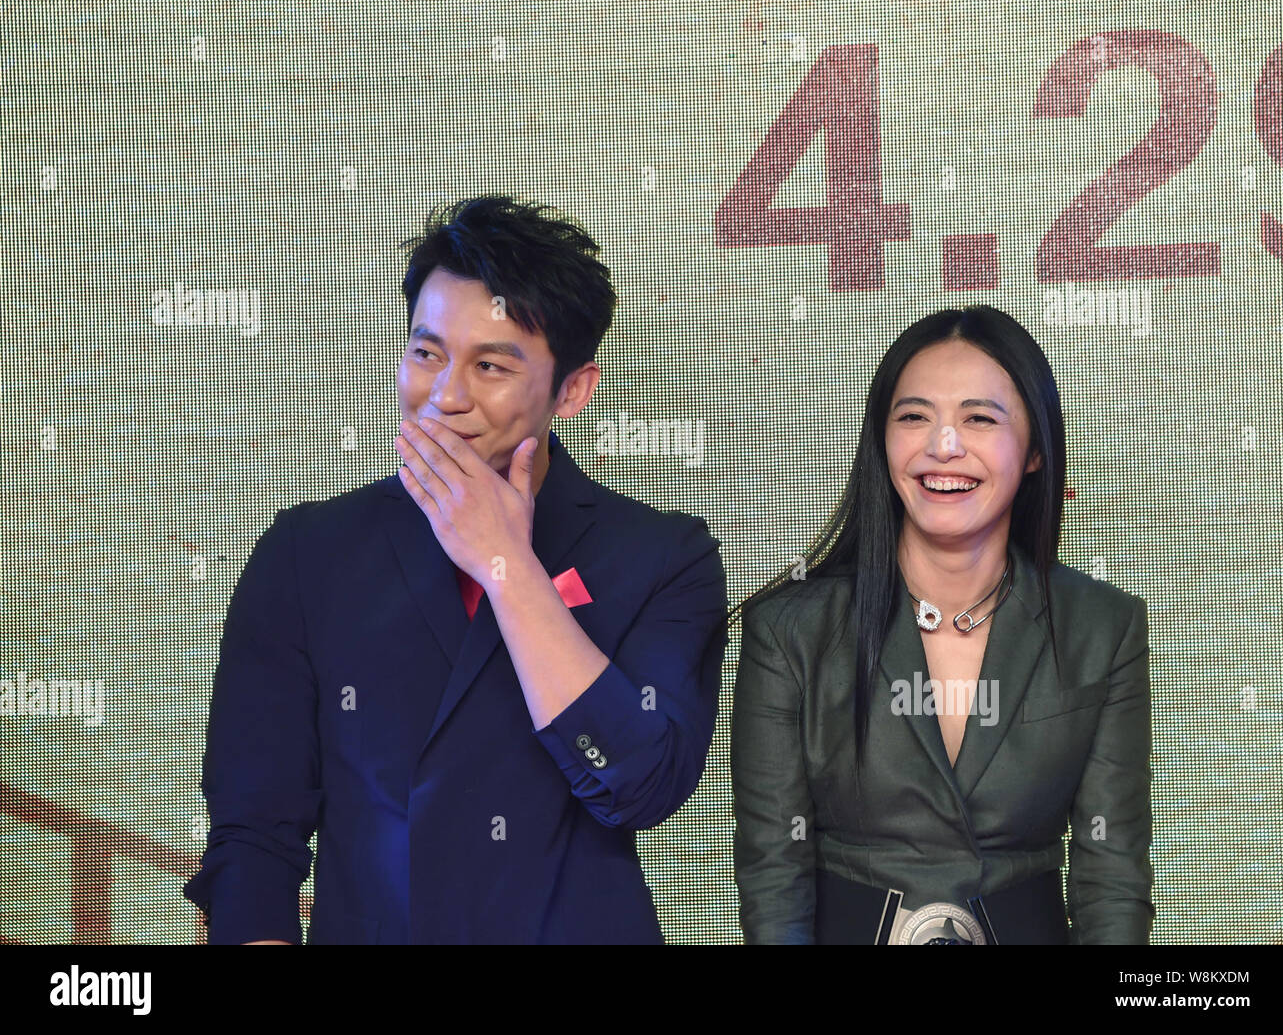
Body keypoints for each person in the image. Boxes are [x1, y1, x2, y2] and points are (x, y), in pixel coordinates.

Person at [182, 195, 727, 944]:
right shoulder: (310, 551)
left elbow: (639, 785)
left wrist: (505, 563)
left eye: (491, 365)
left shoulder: (664, 556)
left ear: (573, 390)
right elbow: (254, 831)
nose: (445, 397)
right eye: (426, 352)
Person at [731, 305, 1153, 944]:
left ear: (1036, 449)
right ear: (882, 440)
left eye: (979, 419)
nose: (943, 445)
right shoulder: (791, 629)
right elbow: (773, 871)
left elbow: (1111, 872)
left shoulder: (1102, 626)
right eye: (914, 418)